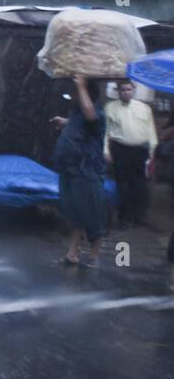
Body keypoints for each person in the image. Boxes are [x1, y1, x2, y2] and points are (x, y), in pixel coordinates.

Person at [50, 76, 107, 267]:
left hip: (87, 172)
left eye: (75, 94)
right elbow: (81, 120)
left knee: (92, 213)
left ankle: (94, 255)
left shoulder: (98, 114)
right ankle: (72, 254)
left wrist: (81, 85)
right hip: (71, 169)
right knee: (75, 214)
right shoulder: (77, 114)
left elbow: (90, 115)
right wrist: (65, 122)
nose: (72, 96)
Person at [103, 80, 158, 228]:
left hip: (140, 151)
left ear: (133, 90)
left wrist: (152, 150)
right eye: (123, 90)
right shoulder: (110, 107)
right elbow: (105, 131)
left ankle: (138, 215)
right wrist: (106, 150)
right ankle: (124, 217)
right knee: (123, 184)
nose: (126, 92)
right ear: (118, 91)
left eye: (129, 89)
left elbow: (150, 130)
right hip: (120, 149)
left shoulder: (144, 108)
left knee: (139, 184)